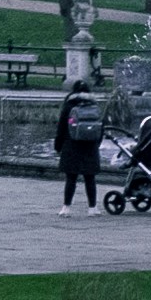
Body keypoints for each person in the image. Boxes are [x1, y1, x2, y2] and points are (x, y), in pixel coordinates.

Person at [52, 81, 103, 209]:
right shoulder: (94, 105)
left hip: (71, 145)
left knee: (71, 178)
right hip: (90, 146)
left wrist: (58, 145)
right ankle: (92, 208)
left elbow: (61, 127)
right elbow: (101, 127)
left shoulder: (69, 105)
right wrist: (97, 143)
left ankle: (66, 208)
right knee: (90, 178)